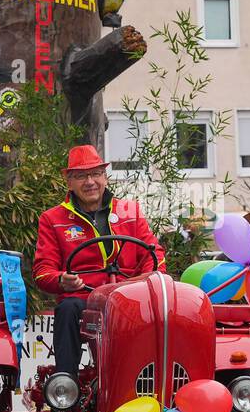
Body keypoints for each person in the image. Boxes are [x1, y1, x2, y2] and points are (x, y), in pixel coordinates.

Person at [33, 145, 163, 379]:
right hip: (84, 300)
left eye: (95, 174)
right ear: (69, 182)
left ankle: (157, 382)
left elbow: (154, 255)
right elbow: (43, 272)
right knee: (66, 308)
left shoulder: (130, 211)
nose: (90, 181)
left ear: (105, 176)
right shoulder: (53, 219)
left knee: (163, 310)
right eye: (81, 176)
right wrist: (62, 280)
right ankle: (65, 387)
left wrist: (147, 280)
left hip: (130, 299)